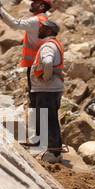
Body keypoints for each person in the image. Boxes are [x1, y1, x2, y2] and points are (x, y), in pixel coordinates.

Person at [0, 0, 55, 95]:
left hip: (37, 66)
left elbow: (15, 24)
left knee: (38, 98)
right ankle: (39, 110)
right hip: (40, 64)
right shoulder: (44, 19)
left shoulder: (36, 20)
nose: (32, 4)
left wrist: (0, 9)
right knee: (39, 96)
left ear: (42, 6)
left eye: (35, 2)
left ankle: (39, 111)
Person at [28, 19, 65, 162]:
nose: (40, 30)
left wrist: (46, 77)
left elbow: (48, 62)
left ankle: (53, 153)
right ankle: (54, 150)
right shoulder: (54, 44)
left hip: (46, 89)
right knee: (50, 119)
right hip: (50, 89)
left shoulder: (48, 46)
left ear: (49, 31)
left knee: (48, 120)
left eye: (42, 28)